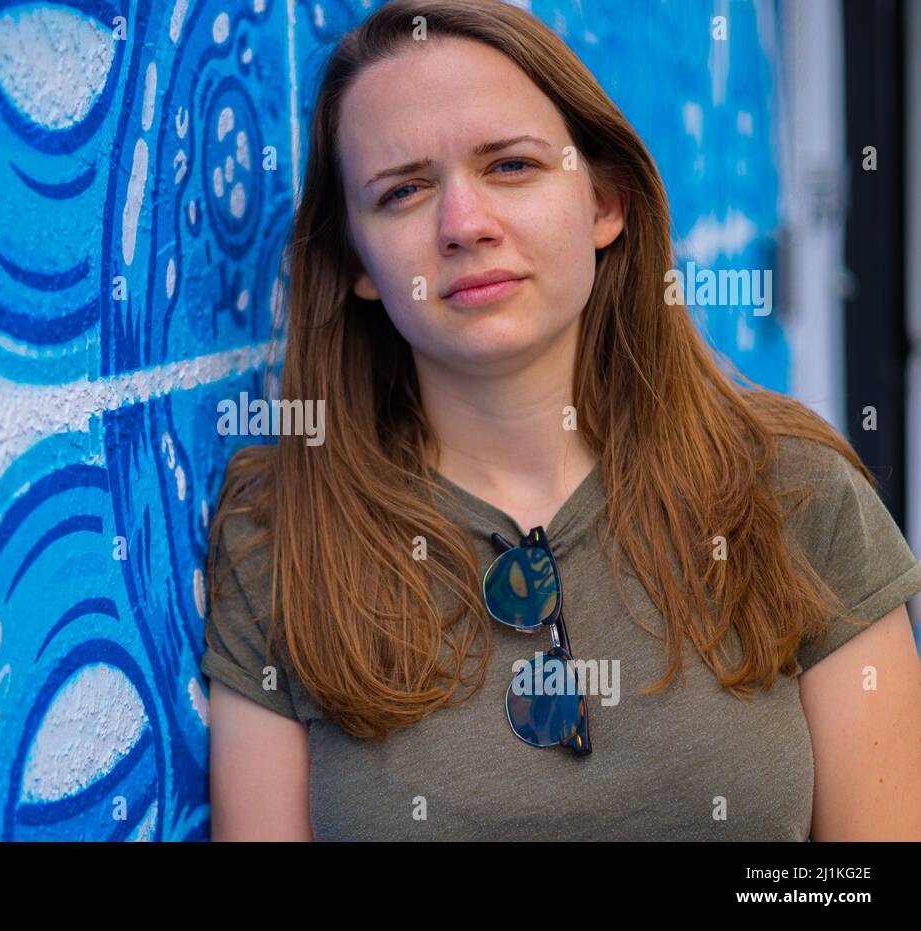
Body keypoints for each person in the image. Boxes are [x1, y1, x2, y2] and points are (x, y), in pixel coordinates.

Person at [201, 0, 921, 841]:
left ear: (606, 203)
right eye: (403, 191)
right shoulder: (280, 536)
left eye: (509, 166)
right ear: (357, 262)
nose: (464, 225)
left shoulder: (793, 488)